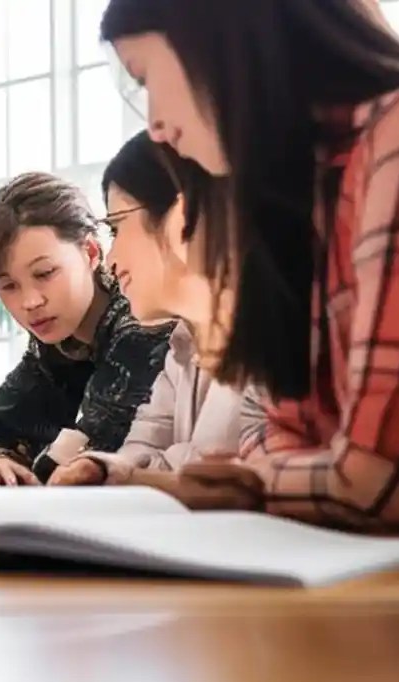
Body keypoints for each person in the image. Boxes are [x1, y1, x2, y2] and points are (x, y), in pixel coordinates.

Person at [99, 0, 399, 529]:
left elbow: (377, 483)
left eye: (145, 79)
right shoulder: (306, 195)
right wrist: (260, 475)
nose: (156, 127)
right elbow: (283, 436)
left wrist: (249, 482)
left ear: (217, 40)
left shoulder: (393, 144)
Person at [47, 132, 252, 487]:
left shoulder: (272, 333)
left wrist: (125, 471)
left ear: (181, 221)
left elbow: (225, 469)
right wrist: (103, 468)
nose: (110, 261)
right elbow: (140, 450)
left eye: (116, 228)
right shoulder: (183, 343)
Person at [0, 172, 173, 487]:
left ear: (91, 252)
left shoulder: (141, 326)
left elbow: (90, 452)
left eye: (45, 273)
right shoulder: (52, 350)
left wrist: (23, 458)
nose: (30, 302)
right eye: (8, 286)